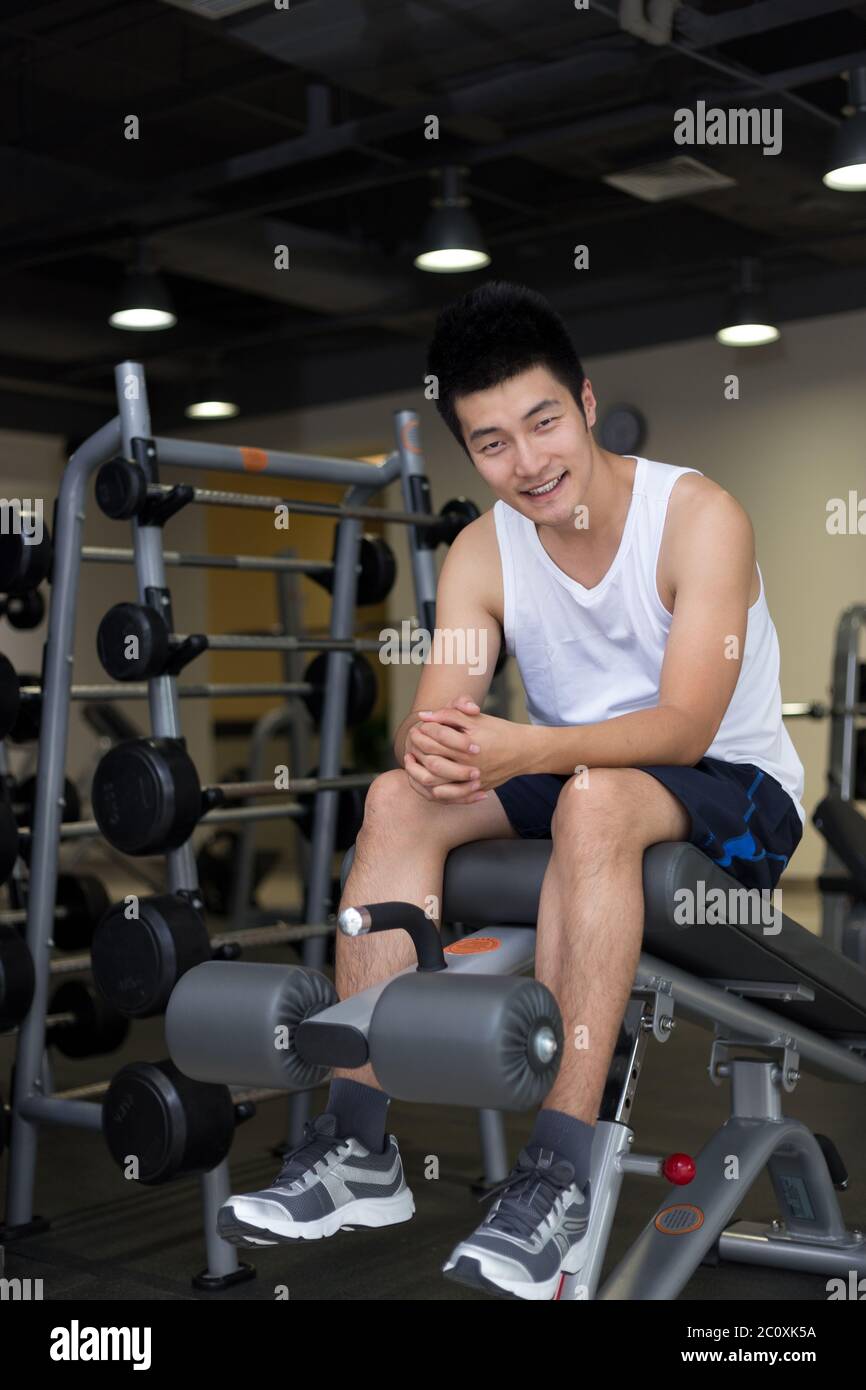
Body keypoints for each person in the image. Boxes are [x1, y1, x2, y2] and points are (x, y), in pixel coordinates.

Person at [217, 280, 805, 1301]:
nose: (526, 462)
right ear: (468, 451)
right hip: (573, 767)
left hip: (730, 785)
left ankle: (561, 1173)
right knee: (398, 802)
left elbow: (683, 725)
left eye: (540, 423)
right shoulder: (482, 548)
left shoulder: (697, 515)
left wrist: (523, 750)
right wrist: (433, 740)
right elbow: (446, 709)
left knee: (594, 800)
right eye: (490, 443)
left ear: (581, 401)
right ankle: (360, 1147)